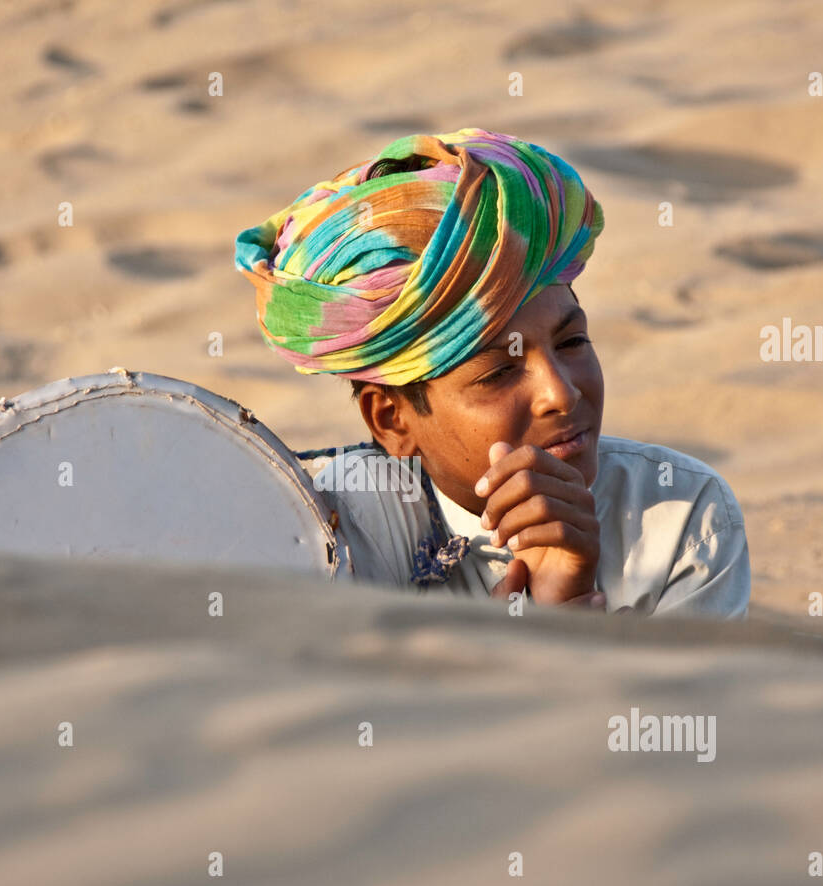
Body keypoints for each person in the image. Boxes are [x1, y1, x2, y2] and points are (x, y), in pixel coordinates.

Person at [235, 128, 749, 618]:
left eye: (572, 342)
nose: (560, 394)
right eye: (499, 372)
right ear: (391, 420)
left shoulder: (679, 517)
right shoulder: (310, 536)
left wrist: (566, 612)